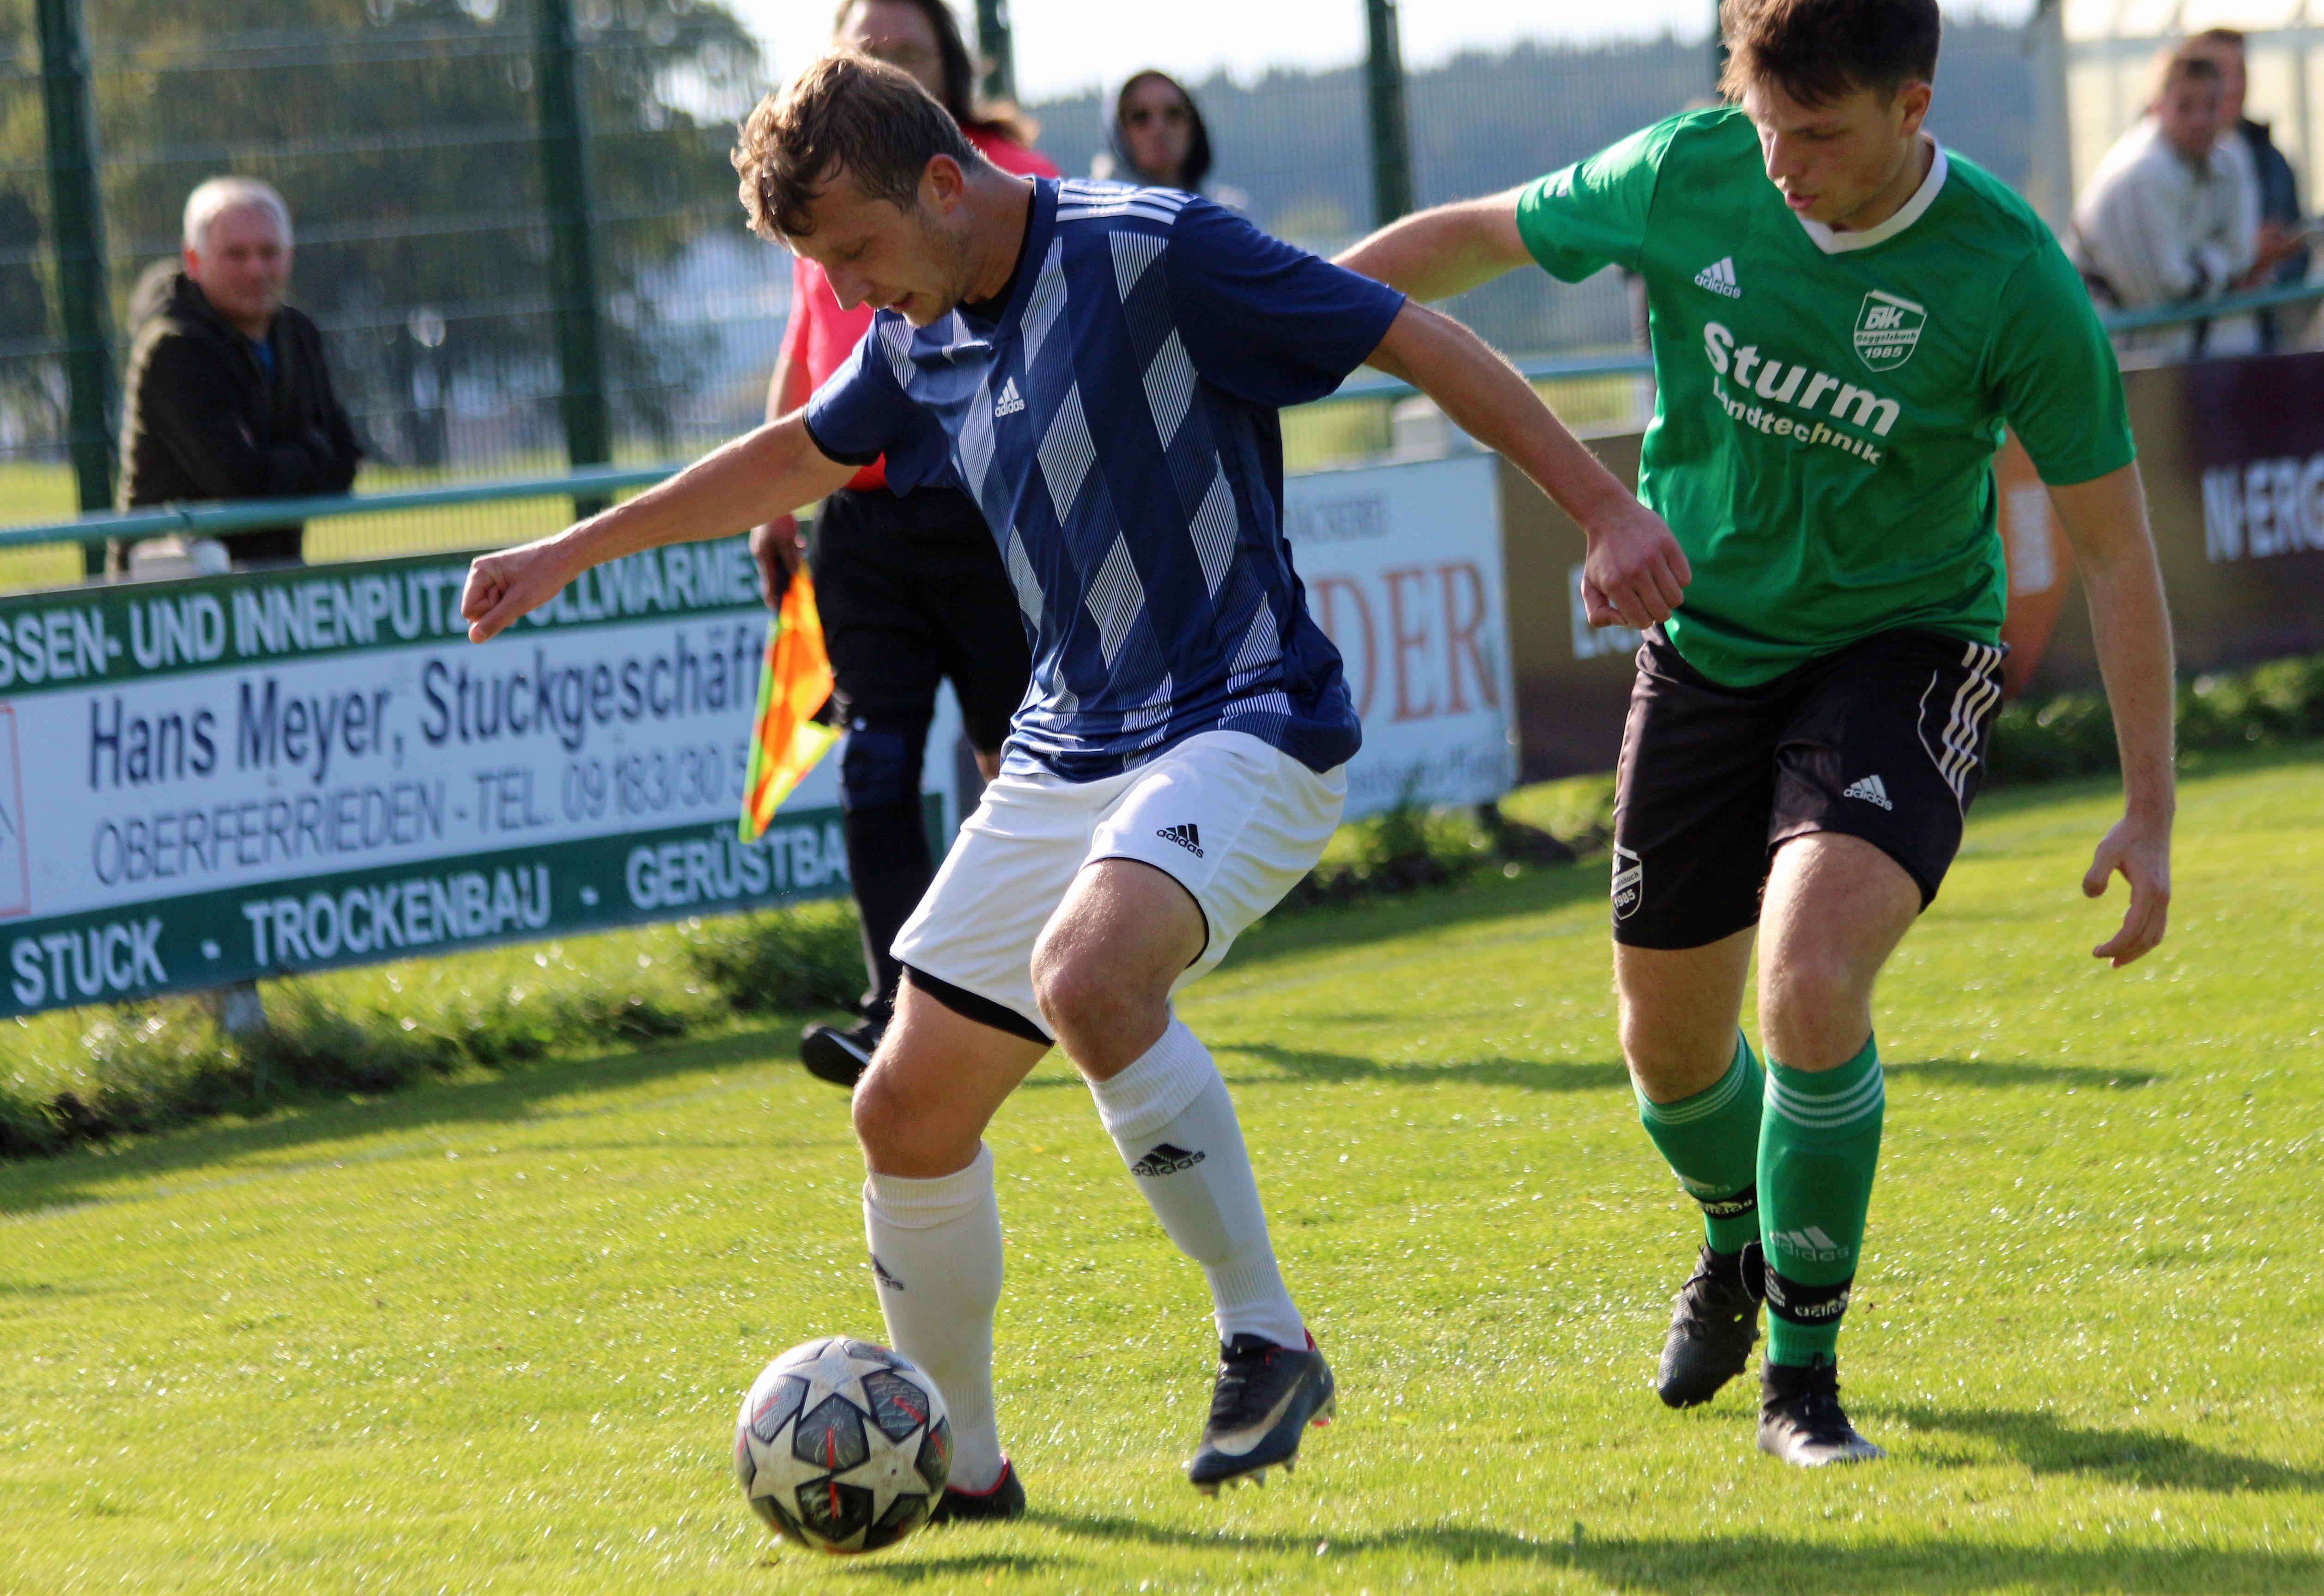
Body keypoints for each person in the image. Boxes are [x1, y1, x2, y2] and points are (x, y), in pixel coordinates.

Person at [463, 51, 1677, 1512]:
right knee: (904, 1112)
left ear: (943, 181)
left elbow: (1412, 335)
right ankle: (964, 1474)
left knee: (1093, 977)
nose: (852, 292)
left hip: (1248, 716)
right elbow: (799, 451)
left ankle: (1265, 1335)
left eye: (855, 251)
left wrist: (1606, 510)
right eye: (822, 269)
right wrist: (571, 550)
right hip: (1067, 747)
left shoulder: (1147, 248)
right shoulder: (920, 333)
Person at [1340, 0, 2174, 1466]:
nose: (1783, 164)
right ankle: (1735, 1238)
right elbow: (1472, 236)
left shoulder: (2010, 275)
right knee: (1666, 1049)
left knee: (1805, 980)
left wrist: (2150, 808)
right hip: (1709, 651)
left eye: (1823, 133)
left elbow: (2115, 550)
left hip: (1903, 649)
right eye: (1768, 124)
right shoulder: (1690, 169)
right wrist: (1281, 326)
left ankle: (1806, 1378)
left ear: (1914, 109)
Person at [758, 0, 1057, 1093]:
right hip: (860, 520)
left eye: (904, 48)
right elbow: (811, 341)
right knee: (876, 761)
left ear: (947, 64)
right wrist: (774, 503)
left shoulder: (1004, 173)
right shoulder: (817, 198)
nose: (881, 60)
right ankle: (893, 1009)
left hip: (985, 510)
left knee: (1016, 763)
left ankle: (1045, 980)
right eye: (863, 45)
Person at [117, 176, 359, 568]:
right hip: (171, 597)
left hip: (274, 582)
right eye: (236, 255)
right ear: (193, 260)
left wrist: (279, 464)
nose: (256, 269)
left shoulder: (297, 335)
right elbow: (237, 481)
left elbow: (345, 461)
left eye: (269, 252)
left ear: (290, 254)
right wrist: (312, 453)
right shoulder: (174, 349)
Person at [2072, 50, 2257, 356]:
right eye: (2184, 108)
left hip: (2182, 356)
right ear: (2157, 107)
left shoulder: (2230, 158)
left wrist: (2206, 269)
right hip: (2114, 360)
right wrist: (2221, 267)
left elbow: (2243, 253)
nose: (2200, 121)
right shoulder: (2141, 175)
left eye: (2210, 106)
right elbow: (2166, 293)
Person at [2184, 27, 2310, 349]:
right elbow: (2167, 272)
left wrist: (2272, 267)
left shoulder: (2271, 160)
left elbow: (2297, 250)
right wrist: (2245, 256)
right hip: (2191, 352)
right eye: (2220, 74)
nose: (2234, 87)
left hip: (2259, 344)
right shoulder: (2162, 166)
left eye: (2241, 73)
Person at [1093, 70, 1245, 211]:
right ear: (1118, 132)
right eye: (1140, 117)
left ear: (1193, 126)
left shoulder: (1230, 218)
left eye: (1174, 114)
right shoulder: (1094, 216)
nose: (1159, 129)